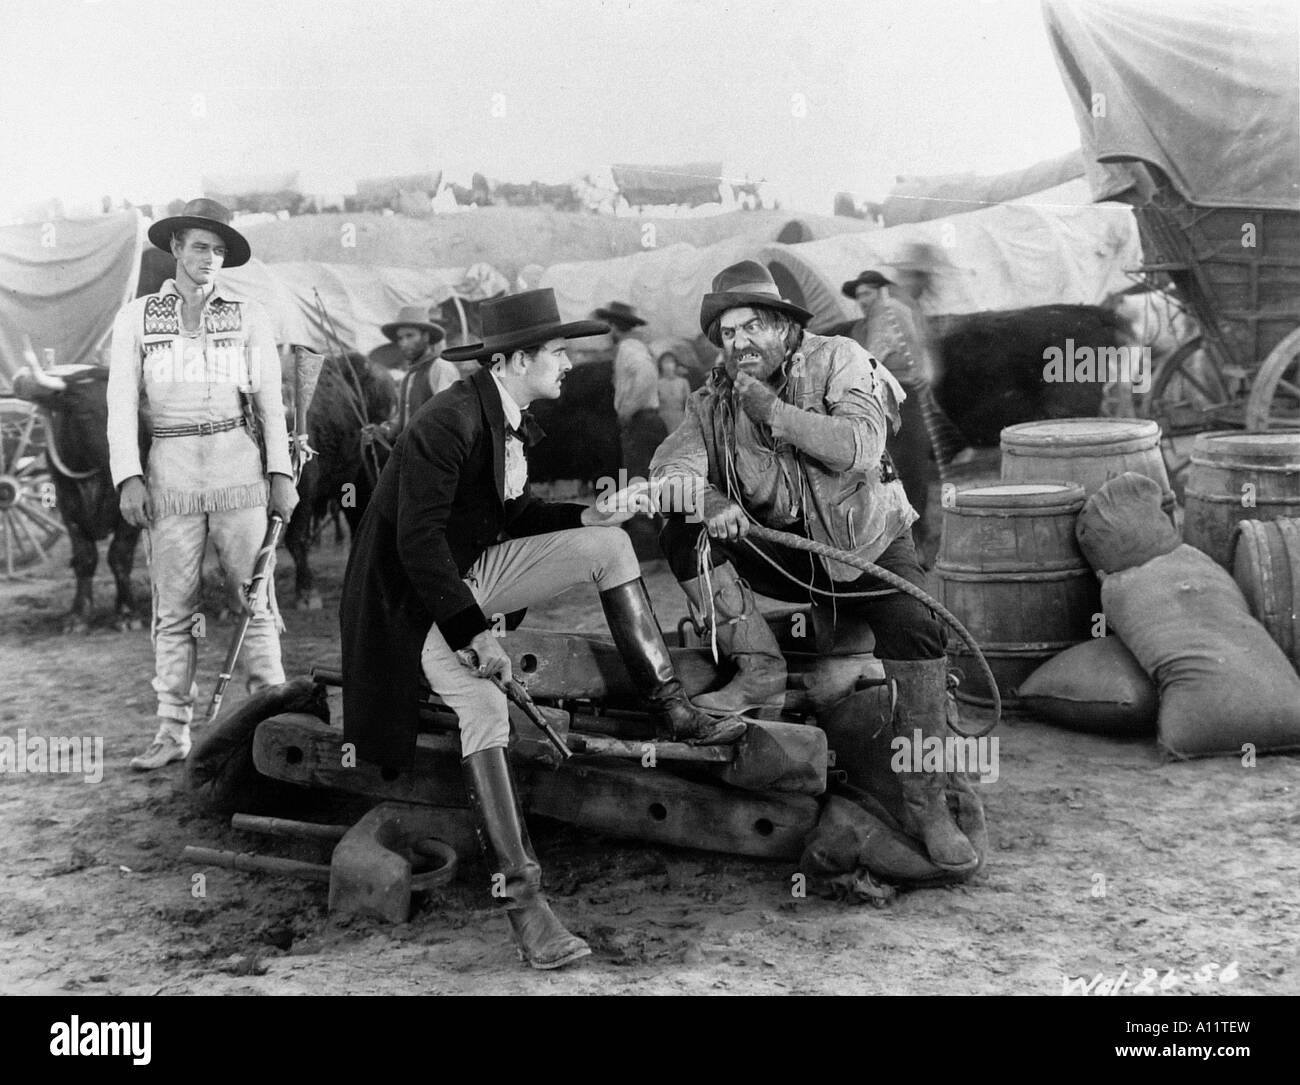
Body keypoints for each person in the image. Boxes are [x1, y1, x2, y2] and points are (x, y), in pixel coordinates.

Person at [339, 288, 745, 970]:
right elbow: (416, 544)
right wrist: (476, 633)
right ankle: (527, 907)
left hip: (465, 571)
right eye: (555, 353)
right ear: (514, 358)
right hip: (411, 600)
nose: (566, 363)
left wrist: (590, 513)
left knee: (612, 545)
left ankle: (670, 707)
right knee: (483, 702)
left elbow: (514, 515)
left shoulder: (499, 413)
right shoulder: (451, 421)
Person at [649, 260, 981, 873]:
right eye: (726, 334)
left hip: (866, 546)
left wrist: (772, 411)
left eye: (751, 327)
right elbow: (669, 467)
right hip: (786, 554)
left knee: (916, 628)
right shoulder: (713, 396)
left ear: (782, 326)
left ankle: (927, 802)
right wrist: (711, 498)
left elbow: (858, 447)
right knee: (678, 525)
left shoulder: (842, 359)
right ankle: (759, 670)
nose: (738, 343)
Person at [107, 199, 297, 770]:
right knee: (175, 606)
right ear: (175, 250)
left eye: (217, 249)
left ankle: (272, 719)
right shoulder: (137, 317)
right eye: (197, 246)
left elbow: (270, 404)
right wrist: (129, 477)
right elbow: (119, 404)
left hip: (239, 471)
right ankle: (172, 730)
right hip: (169, 472)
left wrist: (281, 474)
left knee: (254, 597)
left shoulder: (248, 314)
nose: (208, 257)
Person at [596, 301, 665, 483]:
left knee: (638, 484)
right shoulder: (634, 346)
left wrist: (628, 409)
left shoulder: (629, 347)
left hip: (640, 421)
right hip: (646, 420)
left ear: (613, 326)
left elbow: (646, 374)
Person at [382, 304, 459, 438]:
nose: (403, 343)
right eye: (400, 338)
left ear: (426, 337)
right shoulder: (409, 375)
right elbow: (403, 416)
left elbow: (449, 416)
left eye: (410, 336)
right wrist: (385, 430)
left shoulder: (440, 368)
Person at [652, 338, 691, 435]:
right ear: (660, 365)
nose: (669, 365)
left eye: (671, 362)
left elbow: (689, 404)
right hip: (663, 419)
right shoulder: (657, 383)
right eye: (665, 362)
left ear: (675, 364)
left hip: (679, 418)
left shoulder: (683, 382)